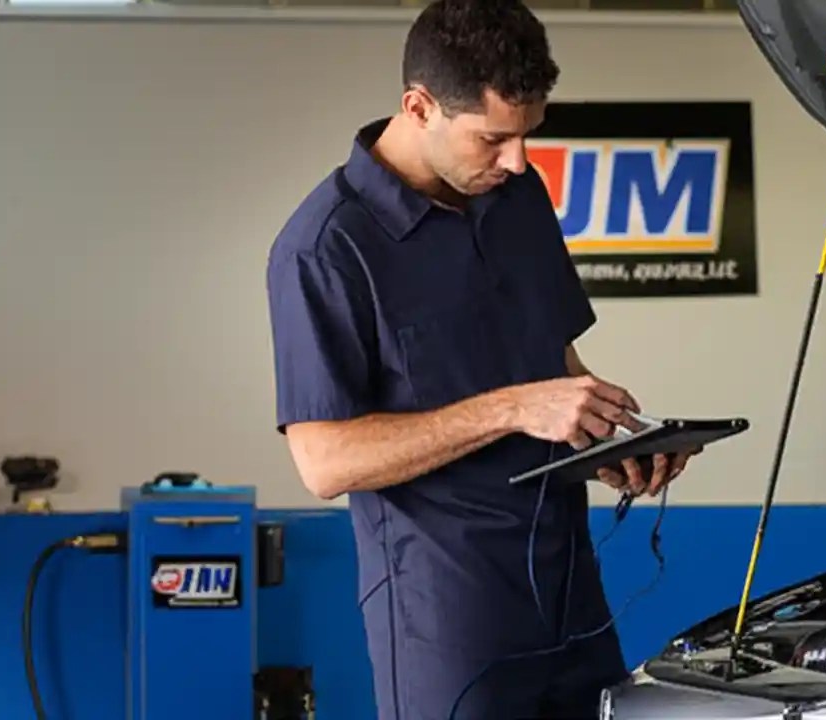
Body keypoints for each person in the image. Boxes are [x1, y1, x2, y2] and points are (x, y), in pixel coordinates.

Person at [263, 1, 697, 718]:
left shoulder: (517, 196)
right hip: (447, 619)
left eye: (528, 135)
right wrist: (515, 407)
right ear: (419, 107)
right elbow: (325, 463)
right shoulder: (325, 248)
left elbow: (555, 361)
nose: (517, 161)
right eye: (493, 138)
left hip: (570, 591)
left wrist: (608, 438)